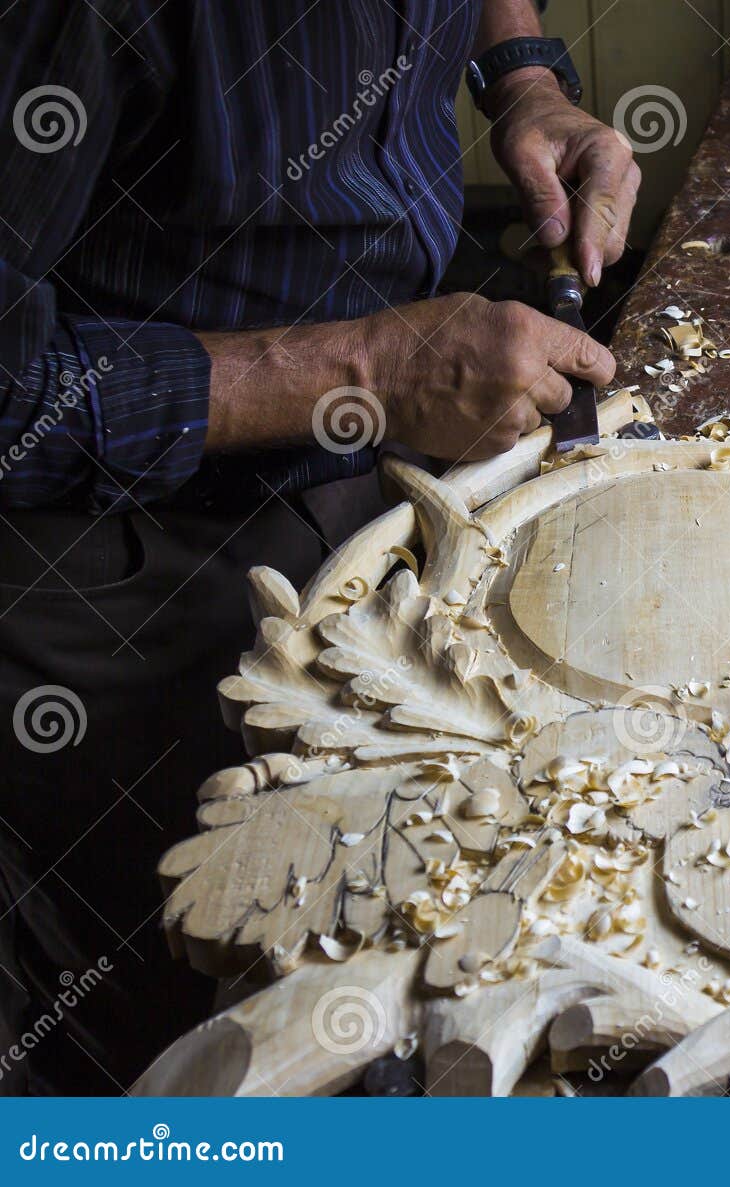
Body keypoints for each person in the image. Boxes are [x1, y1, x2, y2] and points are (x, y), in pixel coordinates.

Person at [0, 0, 639, 1094]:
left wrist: (524, 78)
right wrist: (363, 375)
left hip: (393, 450)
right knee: (175, 1011)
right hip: (115, 550)